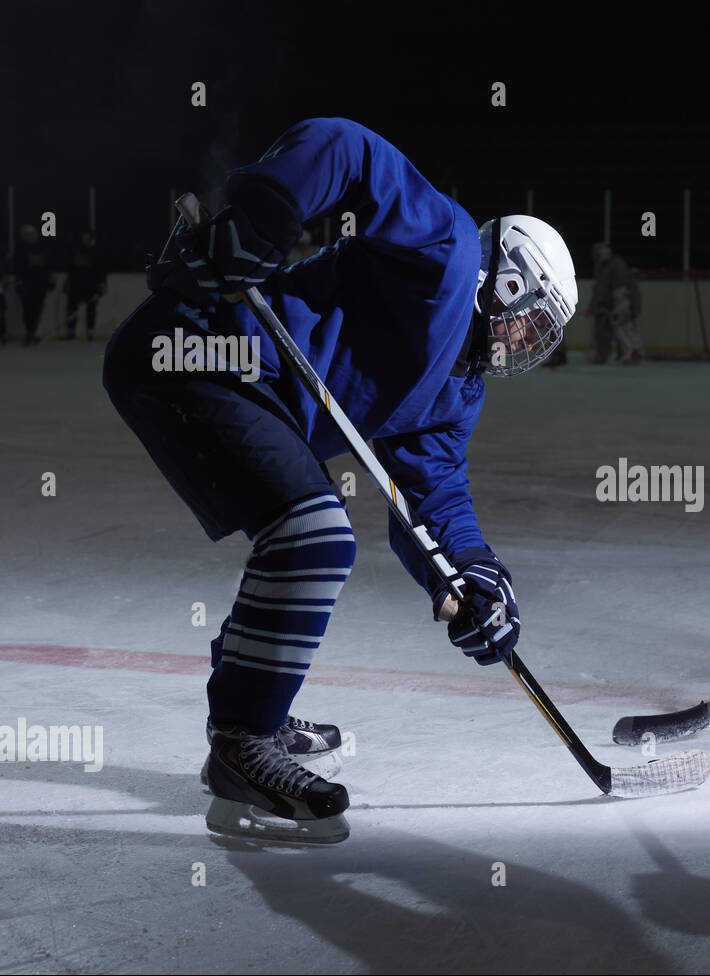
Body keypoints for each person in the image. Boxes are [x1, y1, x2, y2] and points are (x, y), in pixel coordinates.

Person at [103, 117, 578, 842]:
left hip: (249, 390)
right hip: (192, 347)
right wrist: (263, 219)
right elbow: (346, 148)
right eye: (531, 321)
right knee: (315, 533)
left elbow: (435, 501)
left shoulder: (457, 396)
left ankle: (251, 698)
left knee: (308, 530)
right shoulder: (446, 252)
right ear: (508, 281)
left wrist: (479, 578)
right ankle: (241, 742)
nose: (523, 342)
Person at [587, 242, 643, 364]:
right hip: (615, 303)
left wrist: (635, 304)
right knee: (620, 328)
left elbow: (626, 286)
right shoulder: (604, 267)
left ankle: (632, 352)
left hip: (620, 302)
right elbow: (600, 288)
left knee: (624, 328)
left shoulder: (616, 265)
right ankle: (629, 353)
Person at [13, 224, 55, 345]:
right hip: (27, 284)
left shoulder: (42, 248)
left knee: (37, 309)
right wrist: (18, 282)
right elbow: (17, 268)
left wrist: (50, 280)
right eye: (27, 235)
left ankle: (33, 332)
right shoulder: (20, 249)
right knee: (27, 310)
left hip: (40, 284)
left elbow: (48, 266)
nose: (31, 236)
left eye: (32, 234)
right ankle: (29, 332)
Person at [65, 230, 107, 340]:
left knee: (91, 310)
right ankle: (71, 332)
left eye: (88, 238)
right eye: (84, 238)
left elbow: (101, 271)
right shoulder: (76, 251)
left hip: (91, 286)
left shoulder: (97, 252)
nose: (85, 240)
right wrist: (67, 283)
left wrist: (102, 285)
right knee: (71, 308)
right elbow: (71, 270)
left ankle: (90, 332)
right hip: (76, 285)